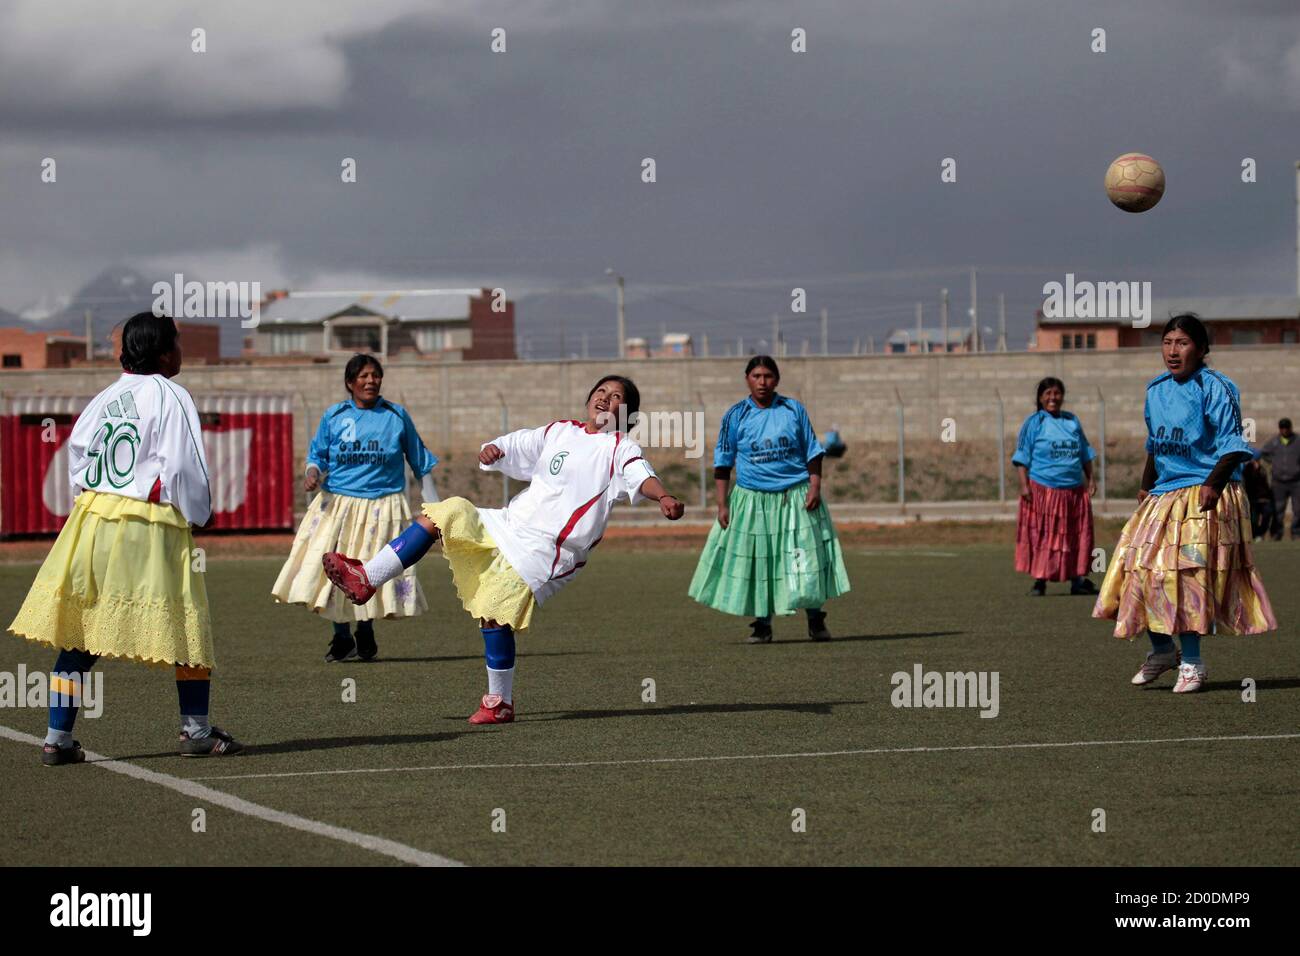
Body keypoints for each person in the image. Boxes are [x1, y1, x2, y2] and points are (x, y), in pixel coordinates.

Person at [321, 375, 684, 724]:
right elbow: (516, 445)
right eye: (601, 390)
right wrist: (494, 450)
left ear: (627, 414)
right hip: (509, 523)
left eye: (617, 396)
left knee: (495, 613)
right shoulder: (560, 430)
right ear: (589, 398)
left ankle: (500, 702)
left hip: (548, 549)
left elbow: (641, 475)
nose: (605, 397)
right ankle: (366, 578)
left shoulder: (621, 447)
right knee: (445, 512)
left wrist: (663, 496)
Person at [8, 312, 243, 763]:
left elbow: (77, 457)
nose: (180, 352)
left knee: (80, 631)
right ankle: (195, 730)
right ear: (162, 352)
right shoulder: (171, 394)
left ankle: (57, 739)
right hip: (147, 523)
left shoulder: (104, 397)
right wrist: (201, 513)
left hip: (93, 520)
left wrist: (95, 498)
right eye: (175, 343)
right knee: (187, 624)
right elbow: (182, 465)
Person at [1093, 314, 1276, 694]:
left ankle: (1193, 664)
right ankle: (1162, 651)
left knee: (1182, 574)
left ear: (1202, 348)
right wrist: (1146, 487)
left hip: (1206, 491)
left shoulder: (1216, 387)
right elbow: (1154, 445)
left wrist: (1213, 484)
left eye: (1182, 343)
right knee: (1135, 567)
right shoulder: (1156, 389)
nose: (1173, 351)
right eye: (1167, 342)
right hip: (1166, 491)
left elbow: (1232, 445)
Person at [272, 354, 438, 663]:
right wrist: (311, 472)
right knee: (334, 569)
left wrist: (437, 509)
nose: (370, 381)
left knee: (367, 570)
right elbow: (317, 455)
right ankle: (341, 636)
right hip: (338, 504)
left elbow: (420, 461)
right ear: (350, 383)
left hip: (382, 506)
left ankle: (364, 629)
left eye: (375, 375)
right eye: (363, 376)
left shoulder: (396, 416)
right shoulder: (334, 416)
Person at [688, 355, 850, 643]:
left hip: (796, 496)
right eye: (756, 376)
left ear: (777, 379)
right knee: (760, 563)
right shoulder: (735, 415)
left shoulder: (793, 409)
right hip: (753, 500)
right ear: (747, 379)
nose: (762, 382)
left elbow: (813, 452)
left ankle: (815, 619)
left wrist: (815, 486)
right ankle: (762, 626)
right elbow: (723, 463)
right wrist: (722, 504)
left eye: (768, 376)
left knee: (805, 561)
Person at [1011, 377, 1098, 596]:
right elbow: (1022, 457)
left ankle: (1077, 579)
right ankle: (1040, 581)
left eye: (1057, 393)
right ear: (1040, 398)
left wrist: (1091, 479)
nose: (1053, 398)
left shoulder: (1072, 421)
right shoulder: (1034, 422)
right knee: (1046, 536)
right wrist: (1024, 485)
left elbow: (1084, 453)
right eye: (1048, 394)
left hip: (1074, 490)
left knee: (1074, 535)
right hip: (1044, 489)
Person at [1260, 418, 1299, 541]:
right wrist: (1273, 463)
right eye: (1282, 428)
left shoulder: (1298, 441)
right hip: (1278, 482)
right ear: (1280, 429)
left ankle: (1296, 532)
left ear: (1290, 428)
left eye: (1287, 428)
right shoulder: (1274, 442)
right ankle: (1276, 533)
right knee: (1278, 510)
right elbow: (1264, 452)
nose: (1285, 430)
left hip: (1296, 482)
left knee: (1298, 509)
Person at [1241, 451, 1273, 543]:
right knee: (1253, 519)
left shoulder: (1264, 469)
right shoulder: (1247, 469)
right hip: (1253, 499)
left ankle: (1260, 533)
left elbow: (1269, 482)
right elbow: (1247, 482)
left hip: (1265, 498)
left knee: (1267, 516)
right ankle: (1255, 535)